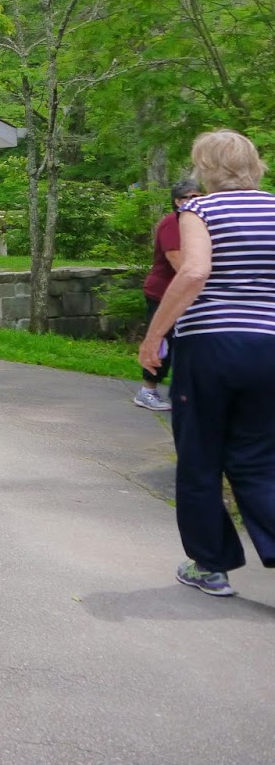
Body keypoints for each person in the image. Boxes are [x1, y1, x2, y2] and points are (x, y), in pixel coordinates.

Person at [139, 130, 275, 599]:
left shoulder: (200, 210)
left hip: (211, 347)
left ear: (204, 167)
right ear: (254, 165)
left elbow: (194, 271)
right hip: (268, 349)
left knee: (200, 456)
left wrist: (155, 336)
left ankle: (210, 566)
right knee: (259, 459)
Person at [134, 178, 201, 412]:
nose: (193, 202)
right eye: (188, 198)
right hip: (164, 294)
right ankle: (147, 390)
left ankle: (187, 393)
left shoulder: (201, 223)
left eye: (197, 197)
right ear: (177, 201)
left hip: (191, 296)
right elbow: (177, 261)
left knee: (191, 344)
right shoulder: (173, 223)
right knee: (162, 344)